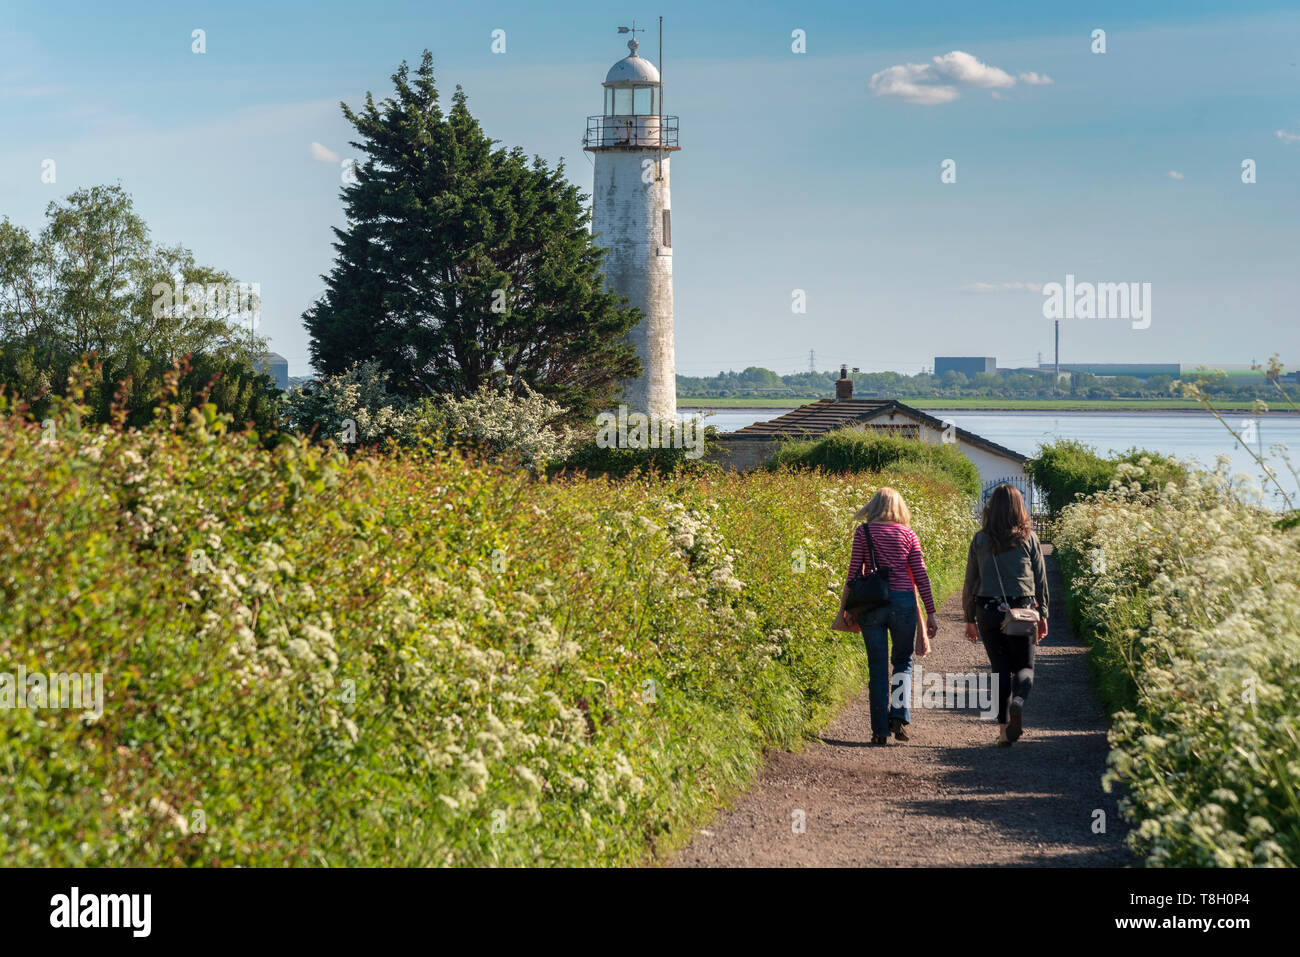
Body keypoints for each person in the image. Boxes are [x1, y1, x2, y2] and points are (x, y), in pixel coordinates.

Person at [838, 487, 939, 746]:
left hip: (872, 602)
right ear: (899, 508)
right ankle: (899, 717)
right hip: (904, 602)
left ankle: (879, 731)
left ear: (874, 506)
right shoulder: (908, 534)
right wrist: (930, 612)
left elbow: (853, 574)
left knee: (877, 667)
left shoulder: (864, 532)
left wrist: (847, 609)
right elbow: (920, 575)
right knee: (903, 661)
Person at [961, 484, 1050, 747]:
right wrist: (1043, 614)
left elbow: (970, 581)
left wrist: (969, 618)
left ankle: (1002, 732)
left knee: (999, 670)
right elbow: (1041, 580)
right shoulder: (1029, 539)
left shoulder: (980, 539)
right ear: (1018, 507)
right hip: (1023, 610)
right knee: (1024, 667)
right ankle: (1019, 701)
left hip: (988, 609)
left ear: (991, 508)